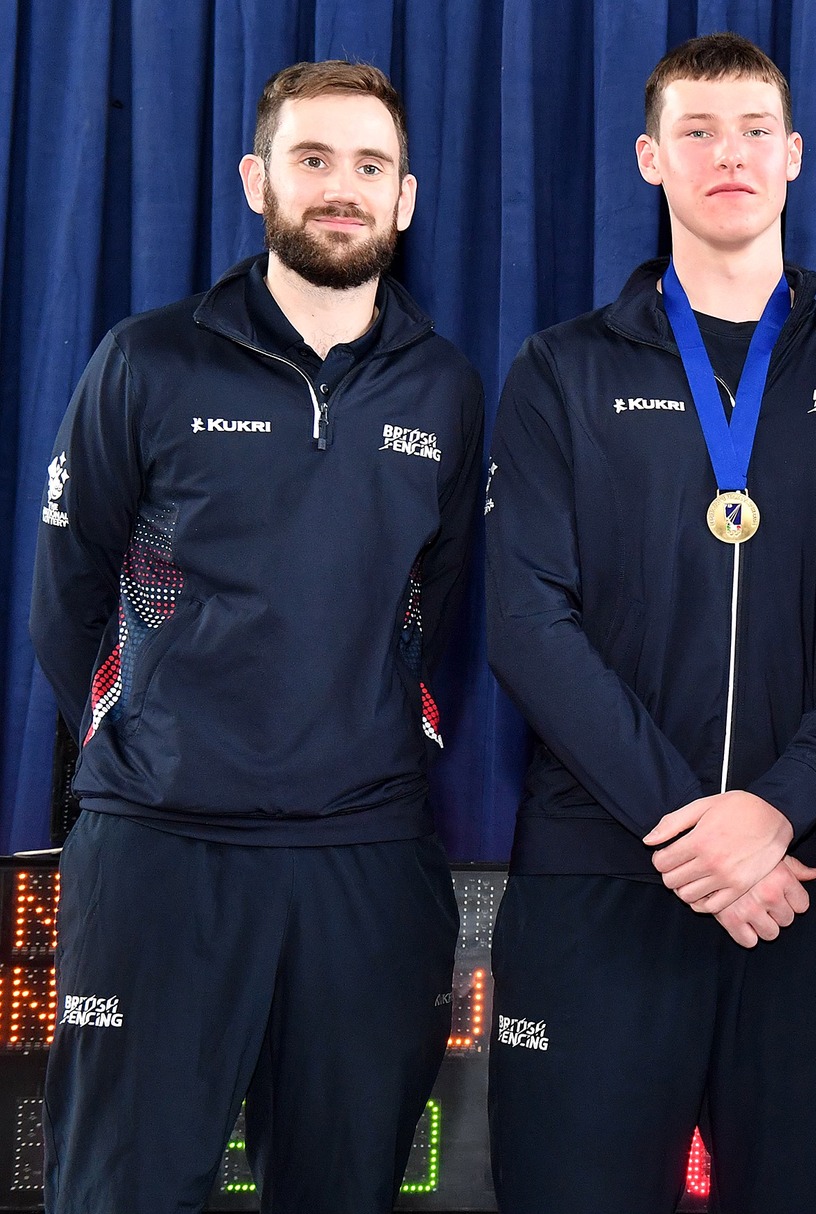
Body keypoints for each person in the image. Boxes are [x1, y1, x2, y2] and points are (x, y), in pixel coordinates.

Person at [483, 31, 816, 1214]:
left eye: (751, 131)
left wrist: (773, 813)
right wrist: (695, 831)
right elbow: (526, 620)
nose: (727, 154)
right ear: (649, 158)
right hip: (602, 873)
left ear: (793, 155)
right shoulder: (561, 370)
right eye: (696, 131)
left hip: (806, 881)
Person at [30, 60, 483, 1212]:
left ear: (405, 198)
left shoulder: (442, 387)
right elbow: (67, 598)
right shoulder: (147, 359)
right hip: (162, 851)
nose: (341, 187)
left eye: (369, 165)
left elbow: (439, 605)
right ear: (256, 179)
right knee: (121, 1189)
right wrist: (153, 740)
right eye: (311, 158)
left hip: (364, 857)